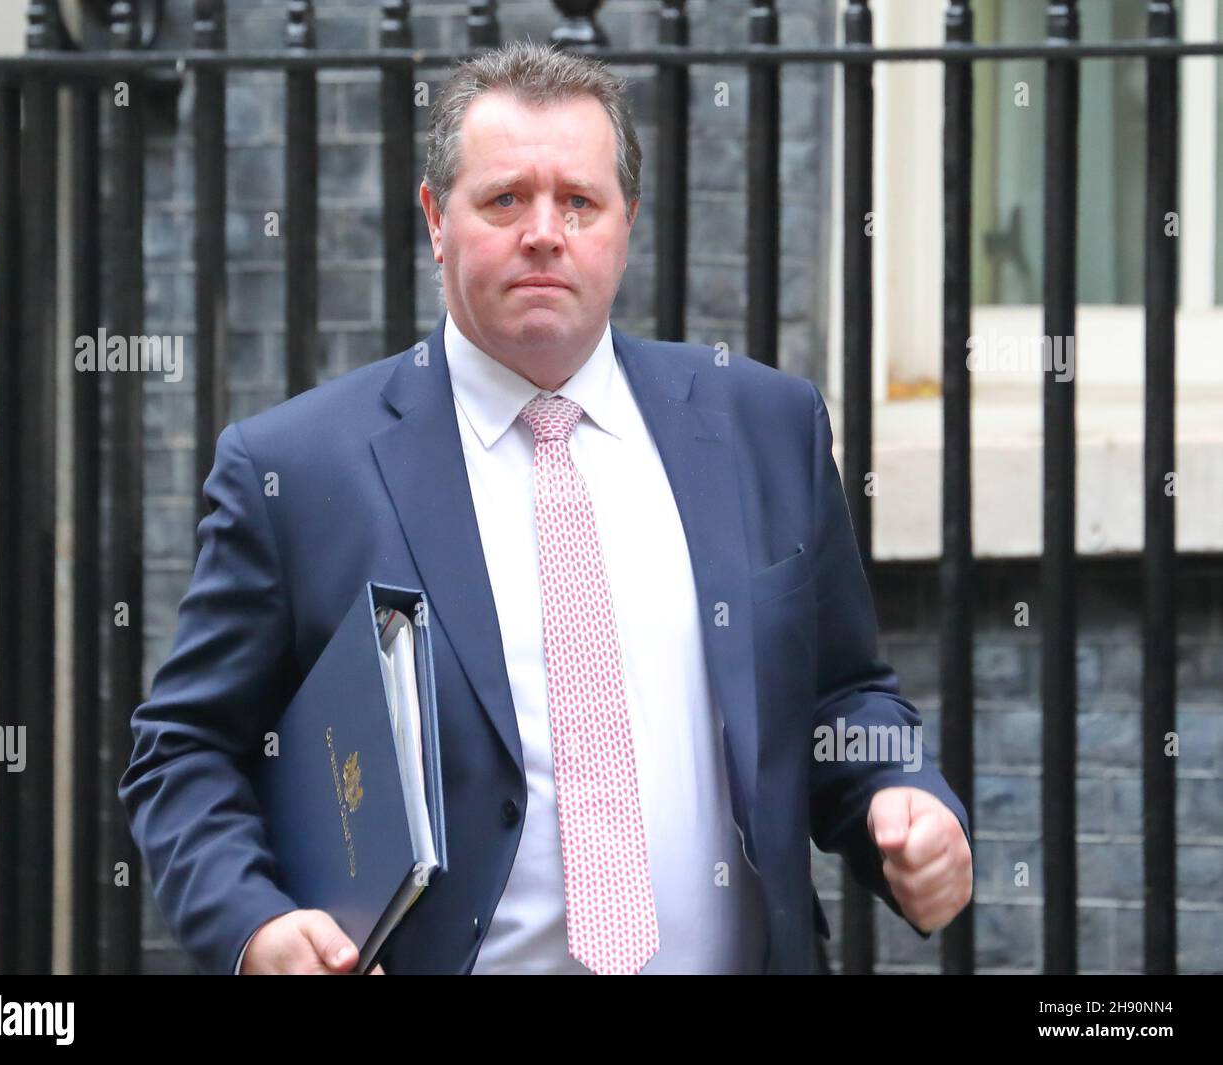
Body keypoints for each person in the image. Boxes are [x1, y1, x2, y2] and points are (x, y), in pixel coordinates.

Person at [119, 39, 972, 976]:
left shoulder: (766, 426)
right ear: (436, 218)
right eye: (504, 199)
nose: (544, 231)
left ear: (625, 223)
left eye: (579, 201)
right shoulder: (295, 470)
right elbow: (184, 751)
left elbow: (843, 694)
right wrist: (254, 925)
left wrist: (905, 792)